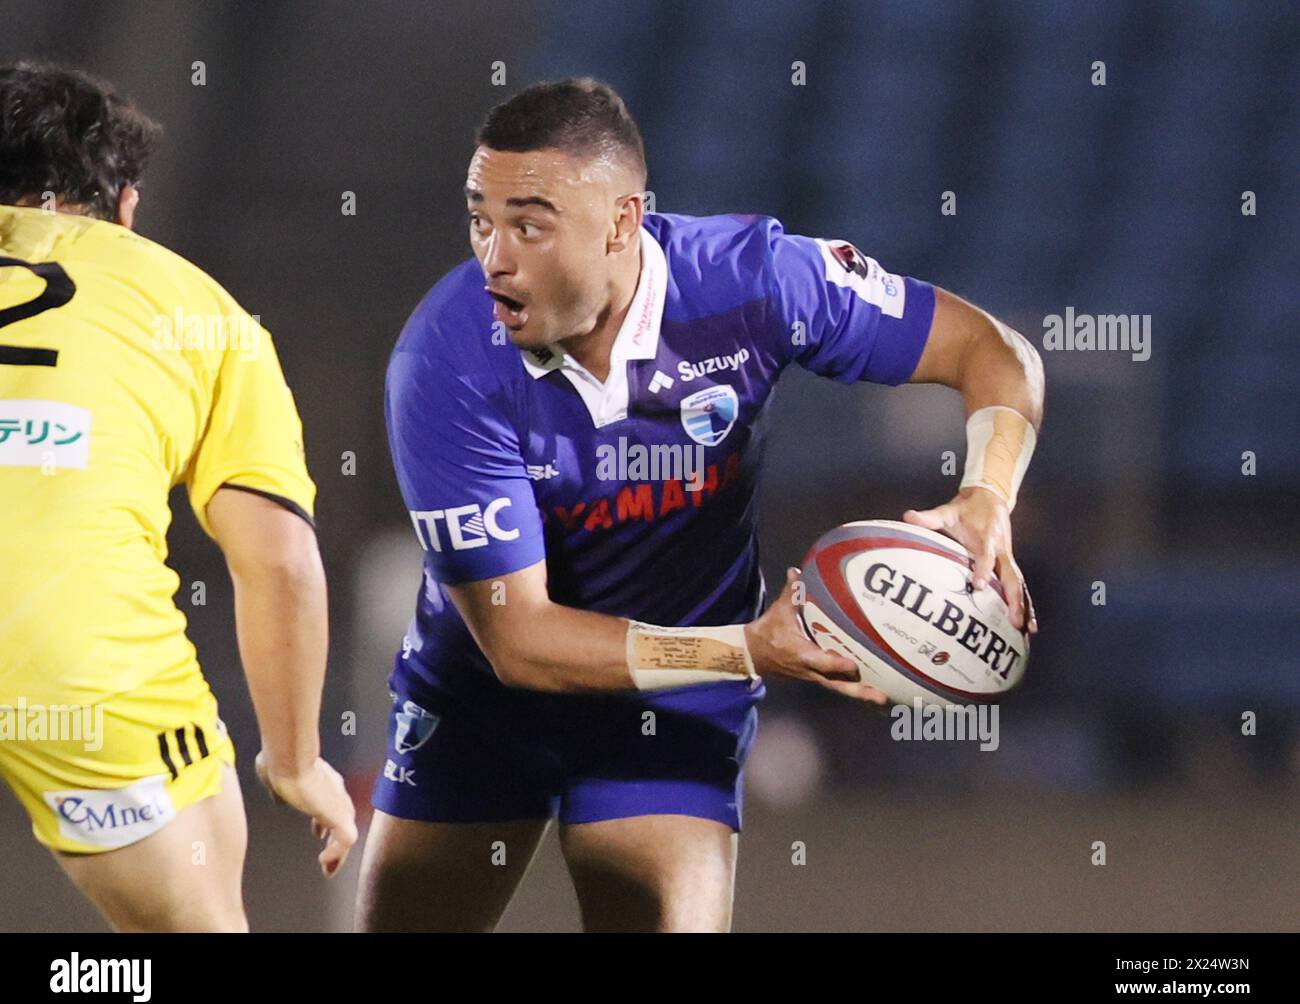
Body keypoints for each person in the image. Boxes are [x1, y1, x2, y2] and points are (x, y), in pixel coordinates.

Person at [357, 77, 1042, 932]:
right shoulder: (445, 359)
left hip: (670, 708)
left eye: (529, 224)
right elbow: (520, 642)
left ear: (622, 221)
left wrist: (987, 491)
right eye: (480, 219)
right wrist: (748, 648)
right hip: (483, 705)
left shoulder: (754, 283)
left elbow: (995, 352)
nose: (495, 255)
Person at [0, 61, 355, 932]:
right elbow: (278, 561)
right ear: (125, 207)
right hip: (70, 658)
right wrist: (297, 759)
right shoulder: (200, 311)